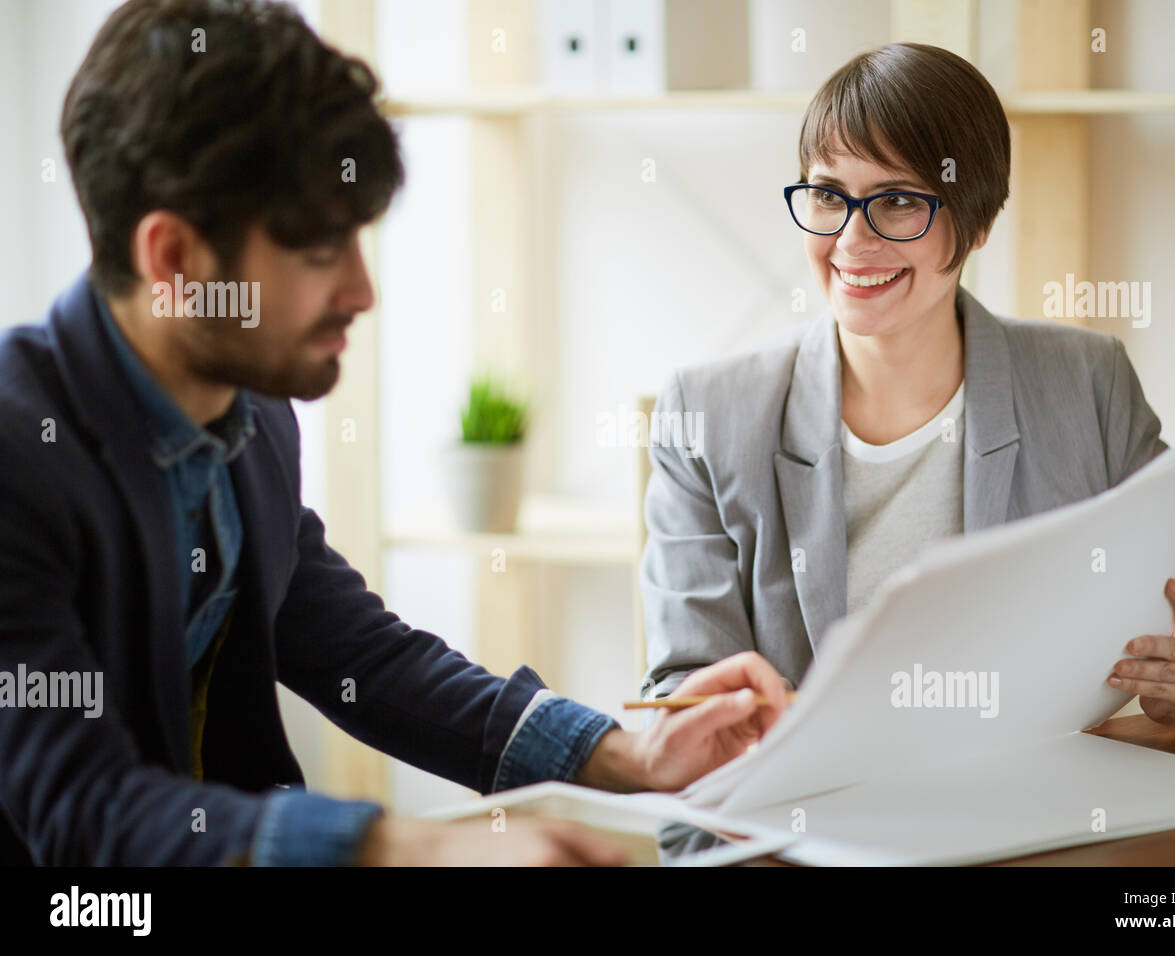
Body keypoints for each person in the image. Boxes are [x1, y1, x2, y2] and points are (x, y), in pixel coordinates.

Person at [0, 0, 790, 867]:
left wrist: (622, 756)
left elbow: (365, 661)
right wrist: (405, 850)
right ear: (176, 260)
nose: (363, 290)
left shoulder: (250, 414)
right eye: (318, 252)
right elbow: (80, 809)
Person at [640, 43, 1175, 724]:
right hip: (810, 819)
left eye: (896, 201)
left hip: (1037, 814)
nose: (850, 242)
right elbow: (683, 697)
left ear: (978, 222)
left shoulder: (1083, 386)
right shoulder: (709, 416)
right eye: (828, 195)